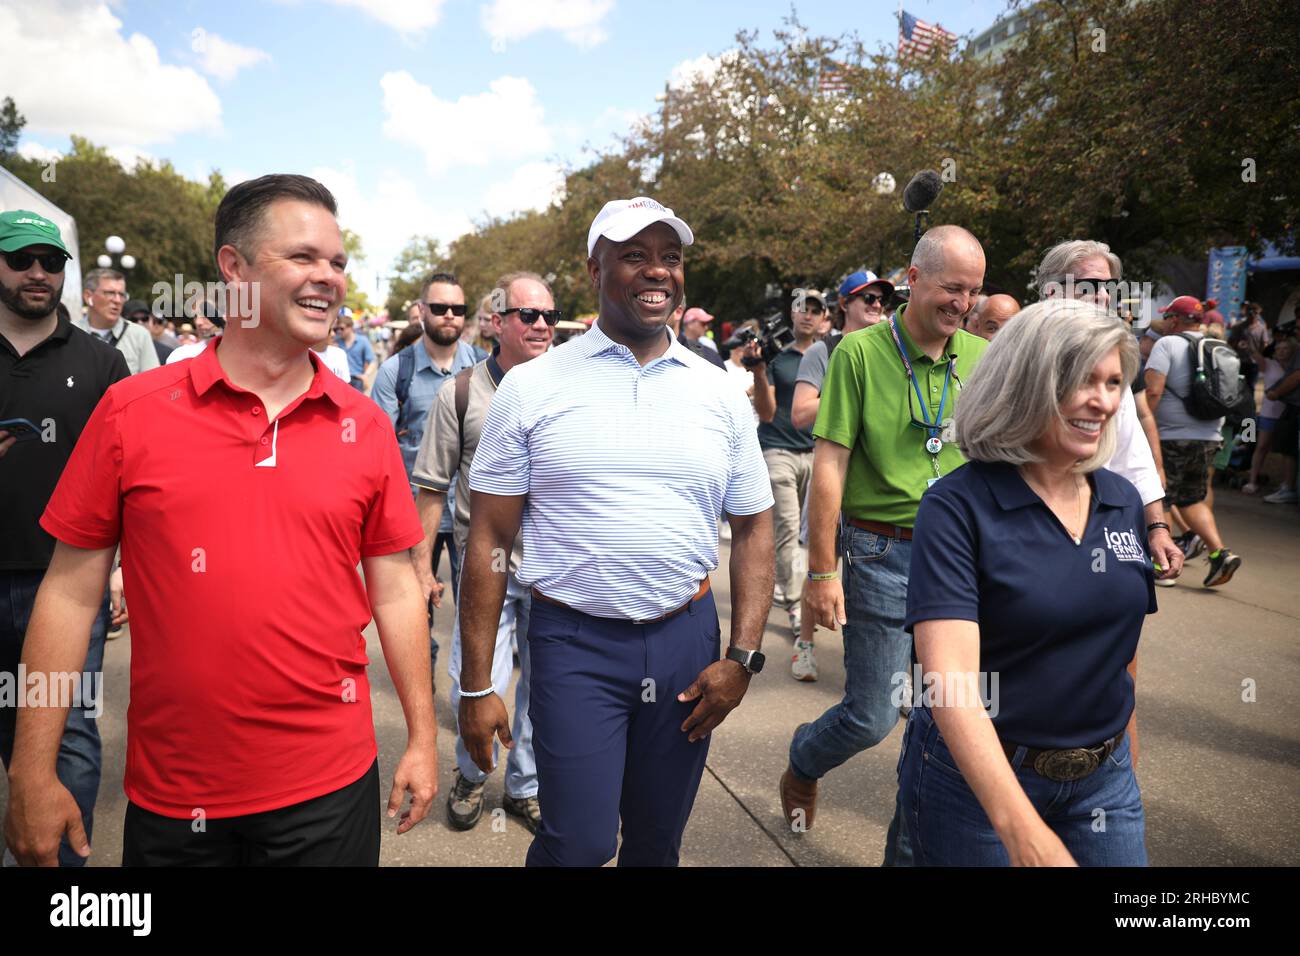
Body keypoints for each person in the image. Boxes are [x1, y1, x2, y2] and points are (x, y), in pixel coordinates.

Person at [4, 174, 438, 866]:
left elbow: (396, 588)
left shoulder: (364, 424)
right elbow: (67, 593)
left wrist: (421, 736)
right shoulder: (132, 411)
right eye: (303, 258)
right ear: (233, 268)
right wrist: (31, 769)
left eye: (338, 262)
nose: (329, 278)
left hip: (330, 795)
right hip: (177, 801)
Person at [457, 196, 775, 867]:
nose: (657, 271)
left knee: (657, 845)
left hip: (687, 643)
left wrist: (743, 658)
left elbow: (753, 527)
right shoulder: (534, 386)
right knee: (579, 844)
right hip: (575, 644)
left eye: (670, 257)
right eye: (635, 256)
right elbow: (487, 540)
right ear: (595, 267)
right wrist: (478, 684)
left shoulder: (717, 390)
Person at [899, 298, 1153, 866]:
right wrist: (1019, 827)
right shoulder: (956, 507)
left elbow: (1122, 645)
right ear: (1028, 383)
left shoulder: (1123, 501)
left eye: (1114, 382)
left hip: (1104, 782)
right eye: (1083, 380)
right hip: (976, 784)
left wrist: (1125, 755)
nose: (1103, 401)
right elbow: (949, 681)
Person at [788, 225, 987, 862]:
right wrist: (822, 573)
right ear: (914, 277)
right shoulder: (857, 353)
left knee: (945, 724)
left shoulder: (982, 359)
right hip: (880, 554)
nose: (962, 304)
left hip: (962, 561)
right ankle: (803, 760)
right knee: (873, 716)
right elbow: (830, 466)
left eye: (974, 292)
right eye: (952, 288)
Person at [0, 211, 129, 867]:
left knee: (70, 736)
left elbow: (129, 478)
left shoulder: (102, 364)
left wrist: (118, 572)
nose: (38, 273)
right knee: (13, 737)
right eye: (22, 259)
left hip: (66, 588)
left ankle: (61, 879)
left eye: (51, 263)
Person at [411, 271, 555, 834]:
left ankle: (526, 786)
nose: (543, 325)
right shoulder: (464, 391)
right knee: (476, 684)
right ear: (499, 322)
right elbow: (431, 485)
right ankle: (472, 774)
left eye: (549, 315)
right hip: (484, 571)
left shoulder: (569, 388)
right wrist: (422, 567)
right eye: (529, 315)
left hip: (551, 570)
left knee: (545, 689)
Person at [1035, 240, 1182, 585]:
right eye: (1090, 287)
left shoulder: (1113, 359)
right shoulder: (1020, 354)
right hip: (1029, 525)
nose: (1103, 297)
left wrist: (1157, 528)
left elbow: (1132, 455)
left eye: (1110, 287)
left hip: (1101, 523)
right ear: (1052, 291)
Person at [786, 270, 895, 681]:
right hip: (833, 470)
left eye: (880, 299)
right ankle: (806, 643)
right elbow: (799, 414)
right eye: (865, 297)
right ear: (844, 304)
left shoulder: (892, 349)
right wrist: (849, 390)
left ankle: (889, 670)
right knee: (822, 558)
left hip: (878, 477)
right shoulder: (823, 351)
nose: (875, 304)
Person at [372, 272, 486, 614]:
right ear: (422, 311)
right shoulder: (395, 372)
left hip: (474, 512)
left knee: (479, 613)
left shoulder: (486, 367)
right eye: (439, 307)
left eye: (457, 307)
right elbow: (380, 452)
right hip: (415, 514)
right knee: (414, 610)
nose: (449, 314)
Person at [1145, 295, 1242, 586]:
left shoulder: (1166, 344)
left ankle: (1163, 567)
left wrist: (1143, 425)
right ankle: (1219, 553)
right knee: (1192, 498)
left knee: (1160, 495)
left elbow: (1152, 391)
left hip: (1171, 434)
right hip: (1210, 436)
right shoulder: (1221, 347)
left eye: (1167, 317)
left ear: (1174, 319)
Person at [750, 288, 824, 639]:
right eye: (801, 309)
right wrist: (759, 372)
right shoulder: (777, 357)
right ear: (792, 315)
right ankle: (795, 604)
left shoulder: (833, 355)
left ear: (824, 317)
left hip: (819, 453)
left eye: (815, 309)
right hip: (777, 450)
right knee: (789, 531)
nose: (807, 314)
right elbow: (765, 412)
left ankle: (814, 594)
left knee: (820, 534)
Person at [74, 268, 159, 375]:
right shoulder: (71, 333)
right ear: (88, 296)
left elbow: (152, 383)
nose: (117, 300)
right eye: (110, 293)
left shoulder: (139, 335)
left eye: (122, 295)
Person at [1260, 318, 1300, 502]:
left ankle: (1288, 487)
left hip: (1288, 409)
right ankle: (1252, 477)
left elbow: (1296, 376)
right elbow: (1258, 354)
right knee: (1257, 445)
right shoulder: (1269, 364)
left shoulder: (1296, 355)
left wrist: (1277, 392)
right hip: (1266, 415)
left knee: (1287, 448)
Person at [666, 301, 725, 369]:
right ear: (690, 324)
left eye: (707, 324)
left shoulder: (709, 351)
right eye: (703, 324)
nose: (706, 327)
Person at [334, 309, 376, 391]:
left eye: (342, 328)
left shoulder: (362, 341)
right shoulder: (335, 340)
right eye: (337, 329)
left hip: (356, 380)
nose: (339, 331)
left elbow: (372, 361)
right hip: (340, 380)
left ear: (350, 327)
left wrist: (365, 375)